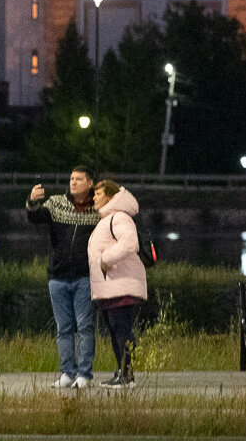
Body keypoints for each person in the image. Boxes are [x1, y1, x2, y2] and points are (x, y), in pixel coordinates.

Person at [26, 165, 101, 388]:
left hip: (84, 277)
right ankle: (68, 372)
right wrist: (32, 202)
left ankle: (84, 375)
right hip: (57, 276)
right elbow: (35, 218)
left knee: (85, 327)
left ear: (90, 183)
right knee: (64, 328)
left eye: (78, 179)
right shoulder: (57, 203)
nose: (73, 182)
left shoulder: (98, 209)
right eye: (71, 178)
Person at [86, 178, 147, 388]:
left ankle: (127, 375)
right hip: (111, 287)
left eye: (98, 194)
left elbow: (130, 244)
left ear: (110, 197)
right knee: (115, 331)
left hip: (121, 286)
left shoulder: (120, 217)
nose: (93, 197)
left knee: (121, 330)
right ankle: (122, 372)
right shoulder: (107, 218)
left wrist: (104, 259)